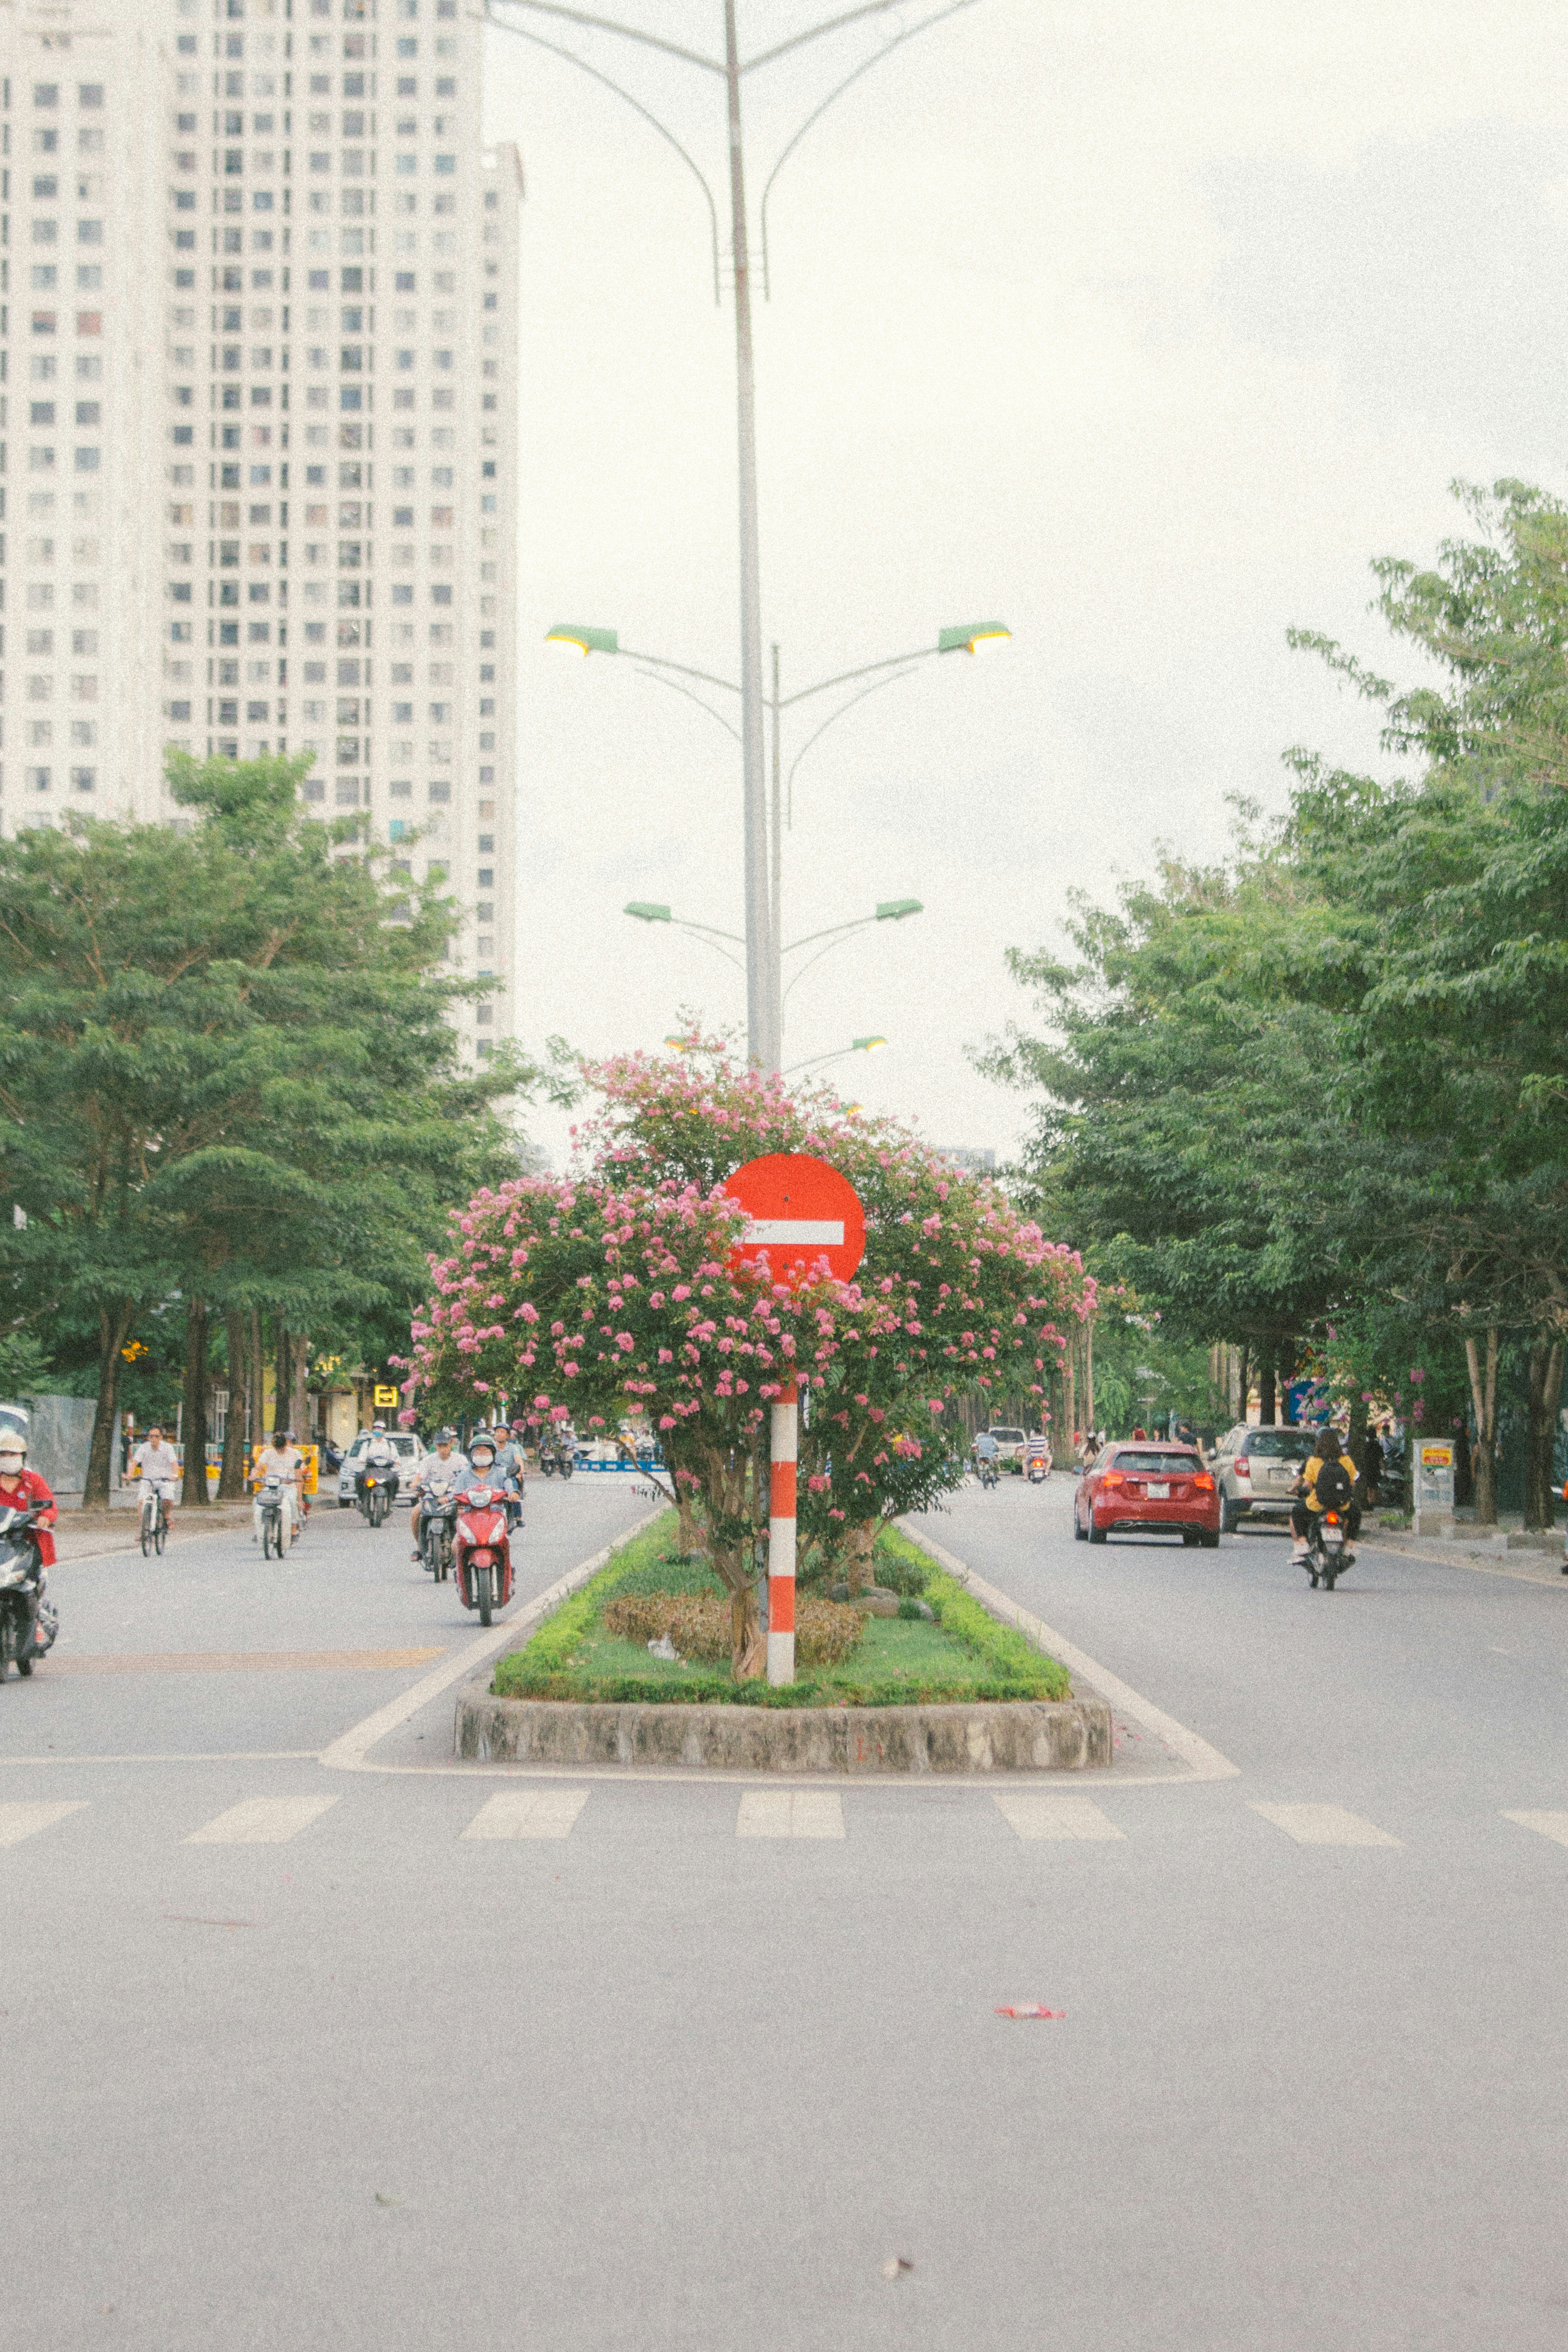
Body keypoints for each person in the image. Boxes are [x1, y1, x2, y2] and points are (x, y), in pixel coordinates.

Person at [1292, 1424, 1362, 1563]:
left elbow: (1308, 1485)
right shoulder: (1346, 1460)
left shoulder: (1313, 1461)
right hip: (1342, 1505)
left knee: (1297, 1512)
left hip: (1317, 1505)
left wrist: (1301, 1490)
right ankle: (1349, 1546)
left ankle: (1303, 1543)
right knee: (1356, 1513)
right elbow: (1352, 1483)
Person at [410, 1428, 470, 1559]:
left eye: (445, 1445)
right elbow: (420, 1476)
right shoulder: (428, 1460)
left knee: (464, 1517)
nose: (442, 1449)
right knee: (416, 1513)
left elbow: (465, 1478)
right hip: (432, 1497)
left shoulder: (461, 1460)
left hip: (453, 1498)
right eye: (439, 1446)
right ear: (435, 1446)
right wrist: (415, 1483)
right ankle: (420, 1547)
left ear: (451, 1444)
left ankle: (463, 1548)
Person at [0, 1431, 57, 1566]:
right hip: (2, 1535)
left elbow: (50, 1506)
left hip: (26, 1535)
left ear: (23, 1457)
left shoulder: (33, 1480)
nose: (7, 1458)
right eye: (3, 1455)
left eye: (13, 1454)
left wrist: (45, 1517)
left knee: (33, 1569)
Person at [254, 1427, 307, 1544]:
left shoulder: (295, 1454)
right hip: (271, 1485)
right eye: (277, 1448)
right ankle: (259, 1529)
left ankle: (293, 1529)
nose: (280, 1451)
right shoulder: (268, 1453)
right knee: (258, 1502)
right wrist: (253, 1475)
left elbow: (299, 1474)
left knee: (292, 1501)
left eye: (282, 1448)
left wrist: (300, 1499)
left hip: (289, 1485)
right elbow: (258, 1466)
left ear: (286, 1444)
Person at [131, 1424, 182, 1535]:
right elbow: (134, 1462)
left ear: (161, 1437)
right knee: (141, 1503)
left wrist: (175, 1475)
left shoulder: (167, 1448)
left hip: (165, 1480)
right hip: (148, 1480)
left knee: (167, 1499)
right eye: (151, 1436)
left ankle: (167, 1515)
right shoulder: (144, 1448)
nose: (153, 1439)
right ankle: (144, 1530)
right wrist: (130, 1474)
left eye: (156, 1436)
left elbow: (174, 1463)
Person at [356, 1420, 399, 1515]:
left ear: (384, 1431)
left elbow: (395, 1458)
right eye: (376, 1429)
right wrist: (362, 1461)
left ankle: (391, 1501)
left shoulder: (390, 1445)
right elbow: (362, 1457)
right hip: (371, 1470)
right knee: (359, 1478)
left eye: (380, 1429)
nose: (378, 1431)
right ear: (373, 1430)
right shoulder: (367, 1444)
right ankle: (362, 1501)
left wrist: (396, 1462)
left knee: (395, 1479)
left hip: (386, 1470)